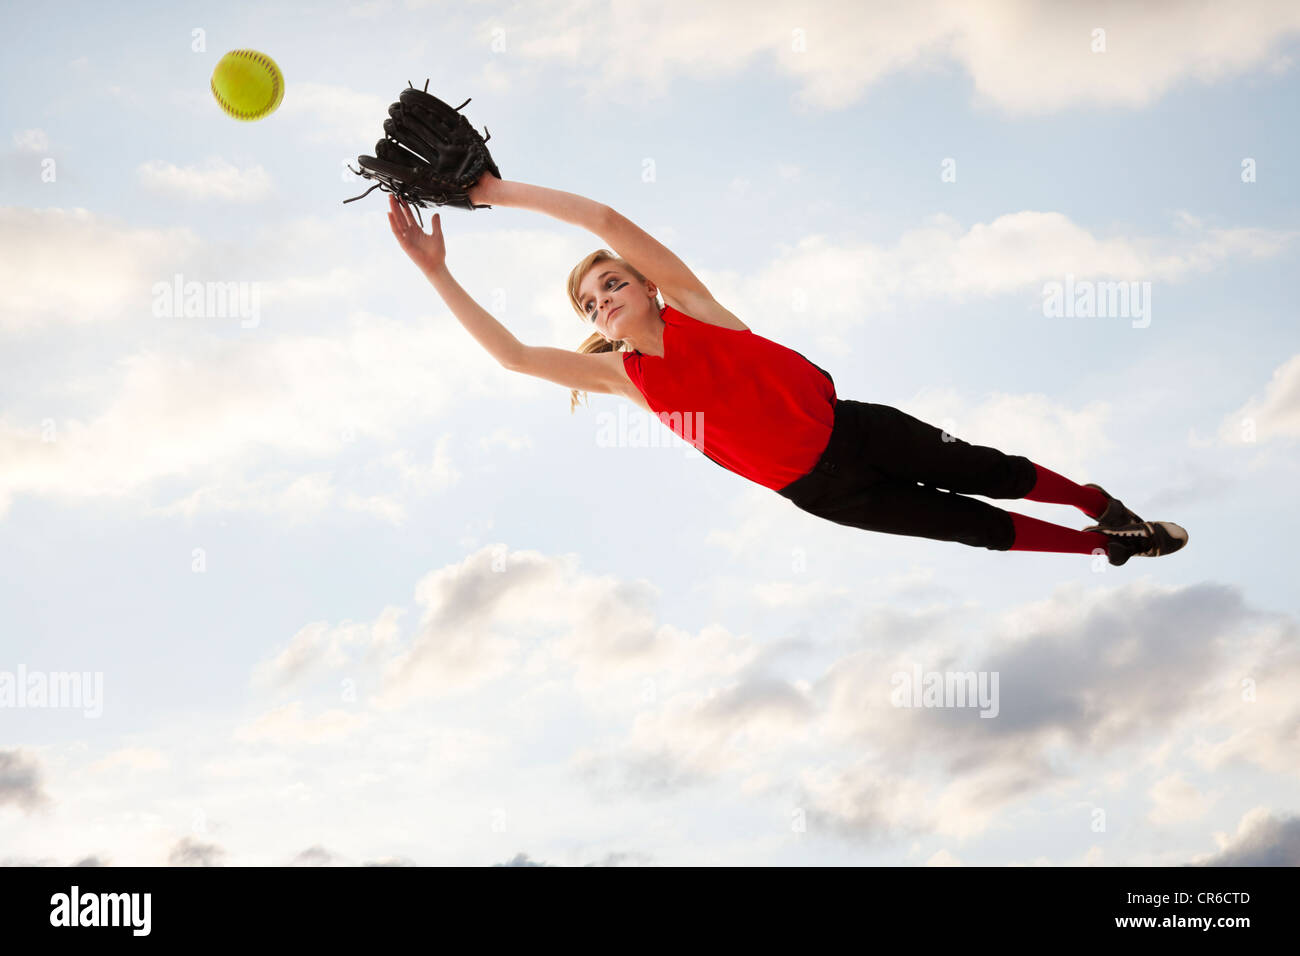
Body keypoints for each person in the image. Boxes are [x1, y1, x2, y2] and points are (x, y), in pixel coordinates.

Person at [385, 178, 1187, 566]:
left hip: (857, 429)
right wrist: (434, 272)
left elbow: (604, 221)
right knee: (965, 526)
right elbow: (514, 357)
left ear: (646, 284)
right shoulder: (626, 379)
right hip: (823, 491)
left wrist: (490, 192)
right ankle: (1104, 550)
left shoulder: (695, 308)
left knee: (989, 471)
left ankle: (1099, 505)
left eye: (612, 283)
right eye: (589, 304)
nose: (602, 303)